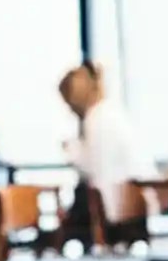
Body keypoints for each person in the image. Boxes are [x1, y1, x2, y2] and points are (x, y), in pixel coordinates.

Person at [58, 61, 157, 232]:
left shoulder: (95, 120)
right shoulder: (113, 113)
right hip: (142, 204)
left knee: (76, 210)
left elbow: (95, 170)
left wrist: (72, 151)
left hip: (120, 212)